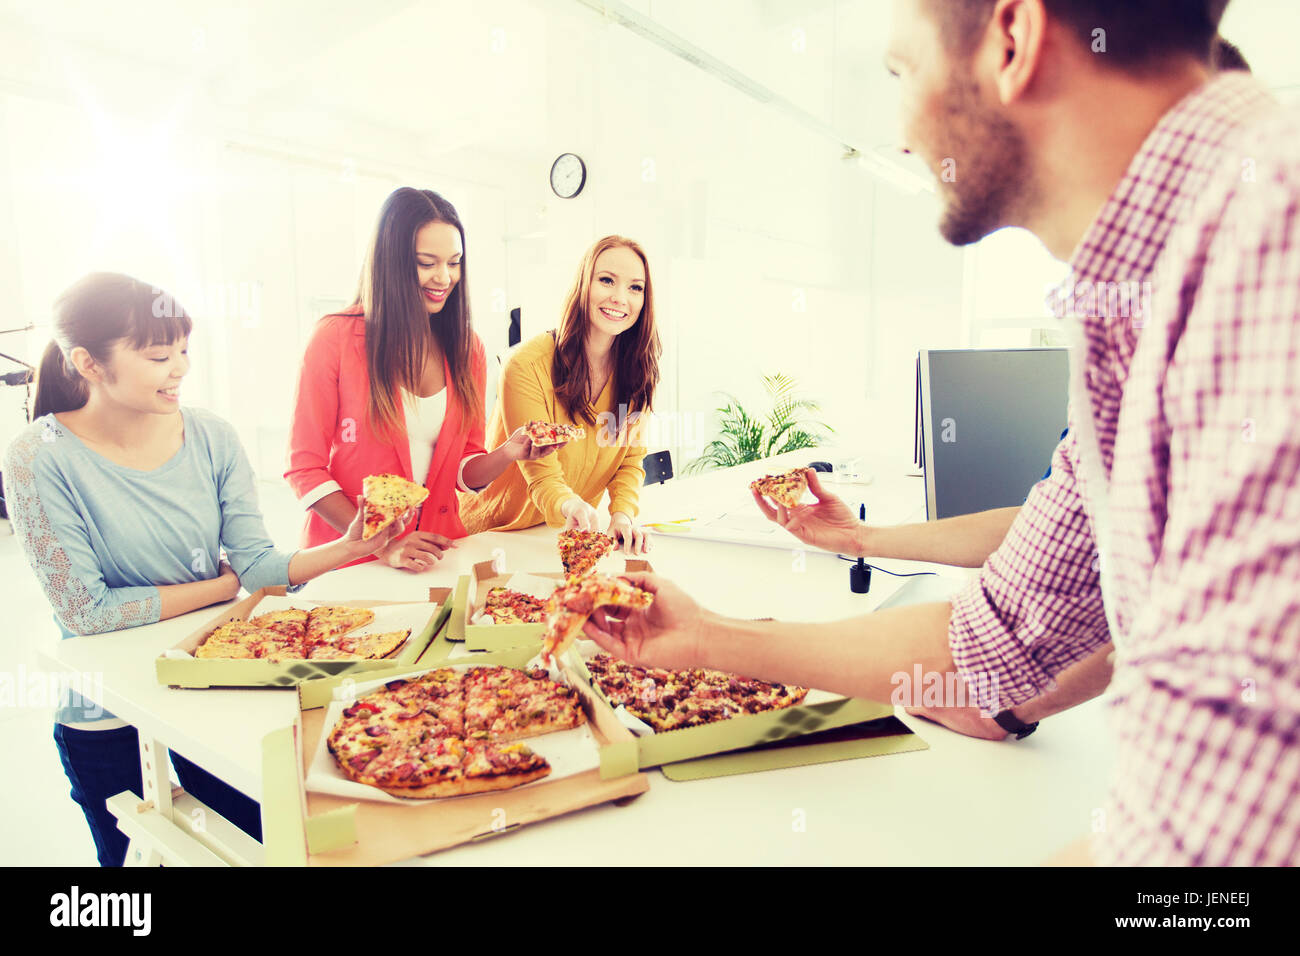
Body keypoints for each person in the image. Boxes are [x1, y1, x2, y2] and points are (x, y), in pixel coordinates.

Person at [585, 0, 1300, 865]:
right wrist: (705, 639)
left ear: (1013, 37)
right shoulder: (1144, 294)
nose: (897, 131)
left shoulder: (1267, 251)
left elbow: (1212, 867)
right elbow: (998, 640)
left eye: (901, 71)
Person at [4, 273, 410, 866]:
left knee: (262, 843)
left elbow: (260, 567)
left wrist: (351, 545)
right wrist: (217, 588)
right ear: (89, 364)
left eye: (184, 351)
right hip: (106, 707)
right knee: (129, 864)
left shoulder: (213, 437)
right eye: (159, 356)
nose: (180, 369)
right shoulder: (37, 457)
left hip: (214, 686)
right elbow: (85, 612)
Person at [286, 187, 556, 573]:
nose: (444, 277)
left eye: (454, 262)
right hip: (352, 563)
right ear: (391, 263)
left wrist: (507, 453)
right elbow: (304, 468)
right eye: (426, 262)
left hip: (439, 555)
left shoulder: (467, 349)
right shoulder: (334, 339)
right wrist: (383, 545)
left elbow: (464, 469)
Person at [460, 236, 662, 554]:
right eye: (607, 280)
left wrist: (622, 514)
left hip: (563, 533)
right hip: (492, 536)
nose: (621, 297)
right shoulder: (526, 364)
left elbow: (630, 460)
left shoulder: (637, 372)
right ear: (583, 284)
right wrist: (569, 505)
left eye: (635, 287)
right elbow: (541, 471)